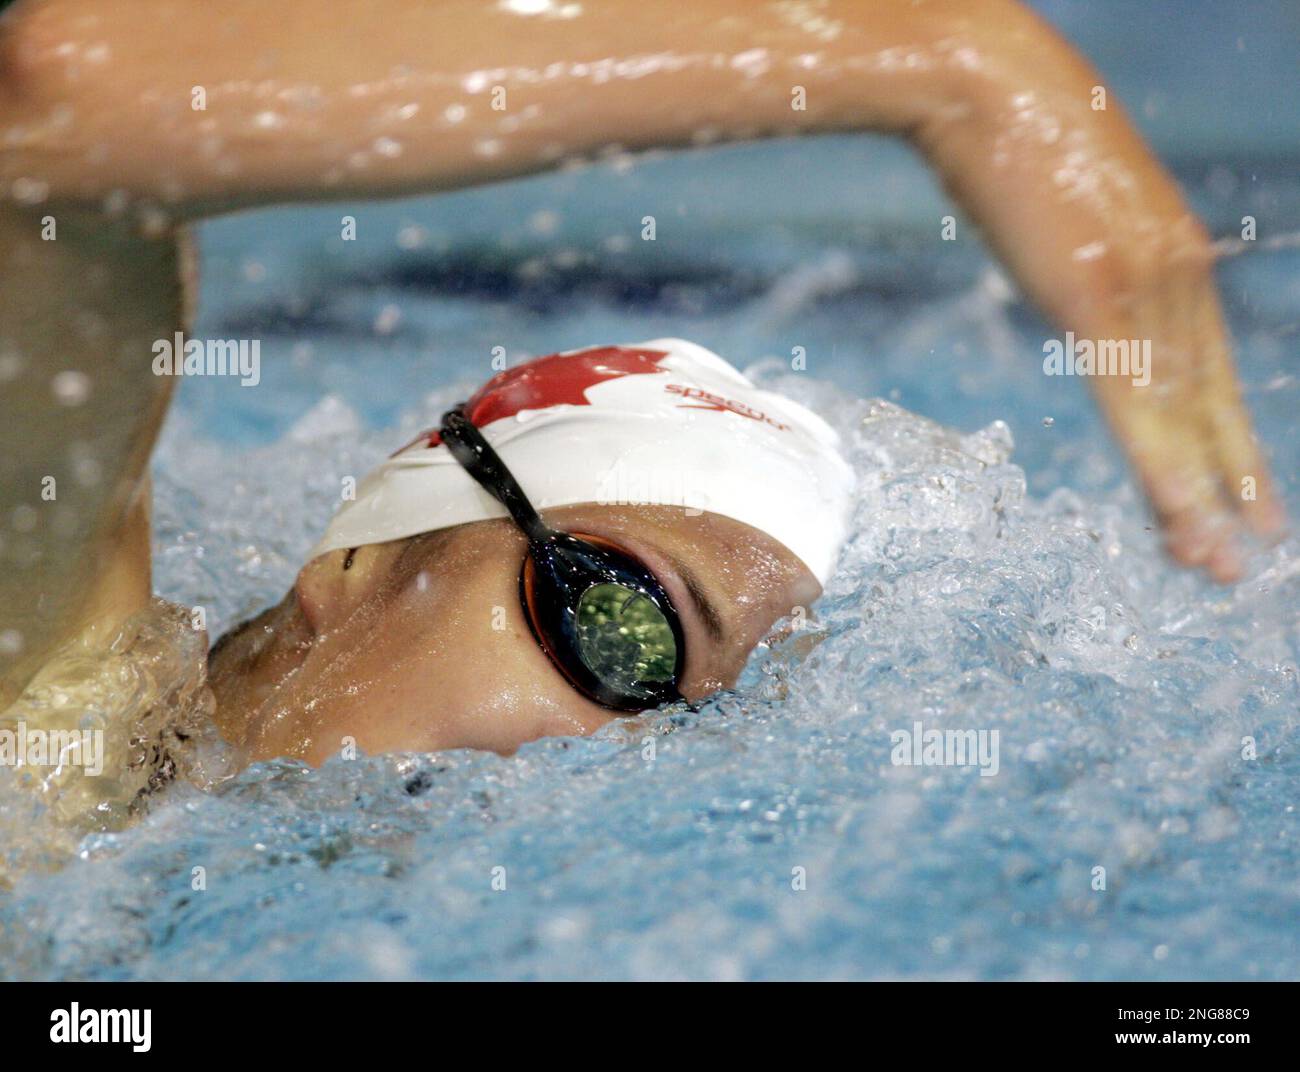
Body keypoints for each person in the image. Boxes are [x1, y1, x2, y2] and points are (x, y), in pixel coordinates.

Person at [0, 0, 1284, 773]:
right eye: (626, 634)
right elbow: (56, 116)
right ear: (356, 565)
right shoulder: (53, 682)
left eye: (695, 741)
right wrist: (944, 61)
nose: (604, 761)